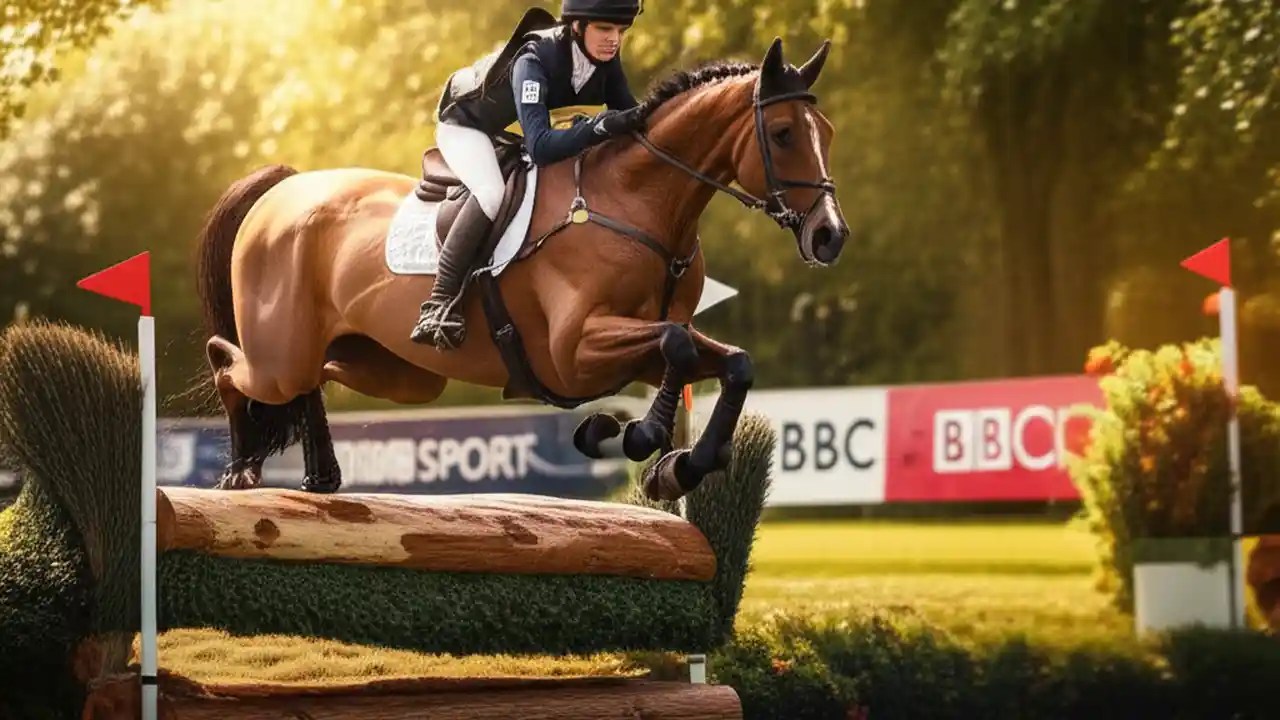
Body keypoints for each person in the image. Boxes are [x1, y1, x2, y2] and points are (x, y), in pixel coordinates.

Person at [410, 0, 648, 349]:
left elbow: (632, 119)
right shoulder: (534, 58)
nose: (614, 39)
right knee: (491, 193)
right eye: (604, 29)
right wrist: (597, 128)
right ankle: (439, 301)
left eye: (621, 31)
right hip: (465, 126)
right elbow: (541, 147)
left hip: (507, 131)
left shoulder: (605, 62)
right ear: (577, 27)